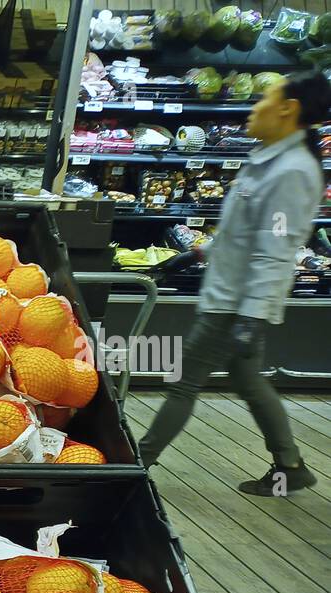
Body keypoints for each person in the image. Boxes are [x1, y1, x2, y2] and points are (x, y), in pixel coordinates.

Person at [138, 71, 329, 495]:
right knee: (249, 381)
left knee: (182, 381)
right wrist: (198, 252)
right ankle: (290, 465)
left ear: (288, 109)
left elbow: (274, 249)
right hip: (230, 292)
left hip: (237, 303)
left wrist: (250, 317)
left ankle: (135, 464)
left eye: (264, 99)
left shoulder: (293, 171)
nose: (253, 107)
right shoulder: (270, 157)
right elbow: (245, 229)